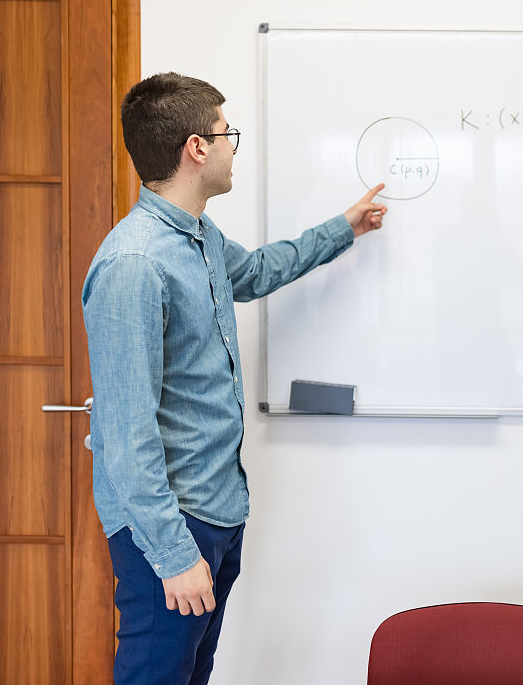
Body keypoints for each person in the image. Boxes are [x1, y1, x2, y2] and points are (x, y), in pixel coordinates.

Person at [82, 72, 387, 684]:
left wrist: (343, 228)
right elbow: (126, 436)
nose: (232, 147)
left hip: (217, 511)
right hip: (171, 527)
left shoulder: (197, 238)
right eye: (227, 134)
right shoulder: (133, 264)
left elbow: (255, 272)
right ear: (197, 148)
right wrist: (173, 554)